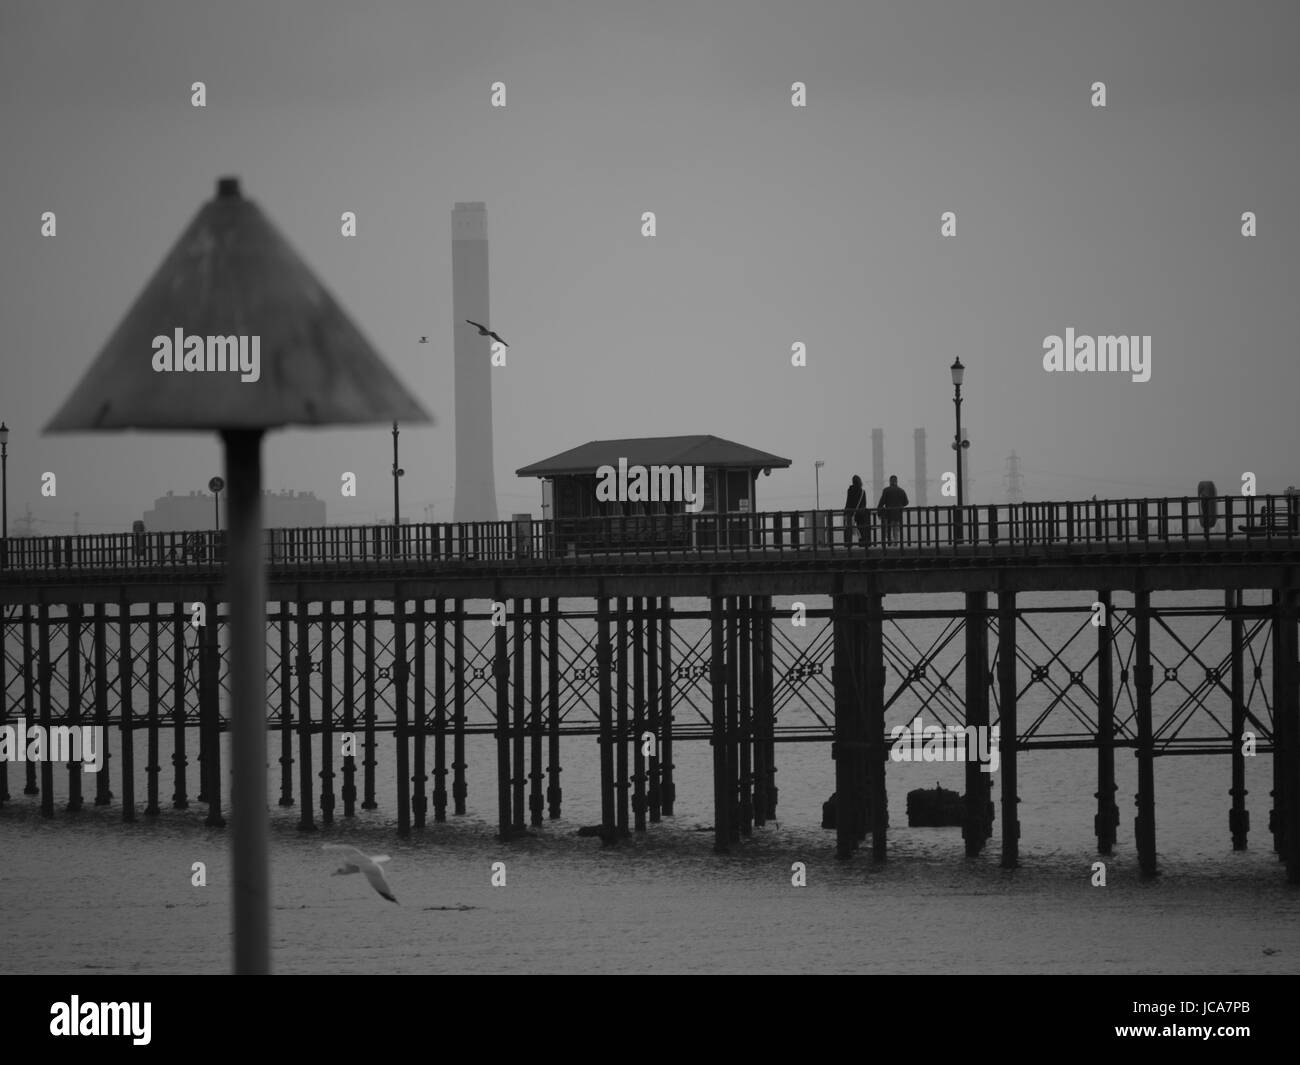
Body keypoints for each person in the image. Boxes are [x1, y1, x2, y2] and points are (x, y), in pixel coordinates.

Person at [877, 474, 909, 544]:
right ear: (896, 481)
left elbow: (881, 503)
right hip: (898, 514)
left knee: (888, 529)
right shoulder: (901, 491)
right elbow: (906, 502)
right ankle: (896, 544)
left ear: (890, 481)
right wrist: (900, 505)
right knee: (896, 530)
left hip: (889, 514)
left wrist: (879, 512)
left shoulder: (886, 490)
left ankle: (889, 543)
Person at [843, 475, 869, 546]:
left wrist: (845, 512)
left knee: (848, 529)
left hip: (850, 513)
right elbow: (864, 504)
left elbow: (848, 502)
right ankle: (862, 544)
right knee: (861, 529)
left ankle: (848, 544)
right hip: (860, 513)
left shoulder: (850, 490)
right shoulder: (862, 492)